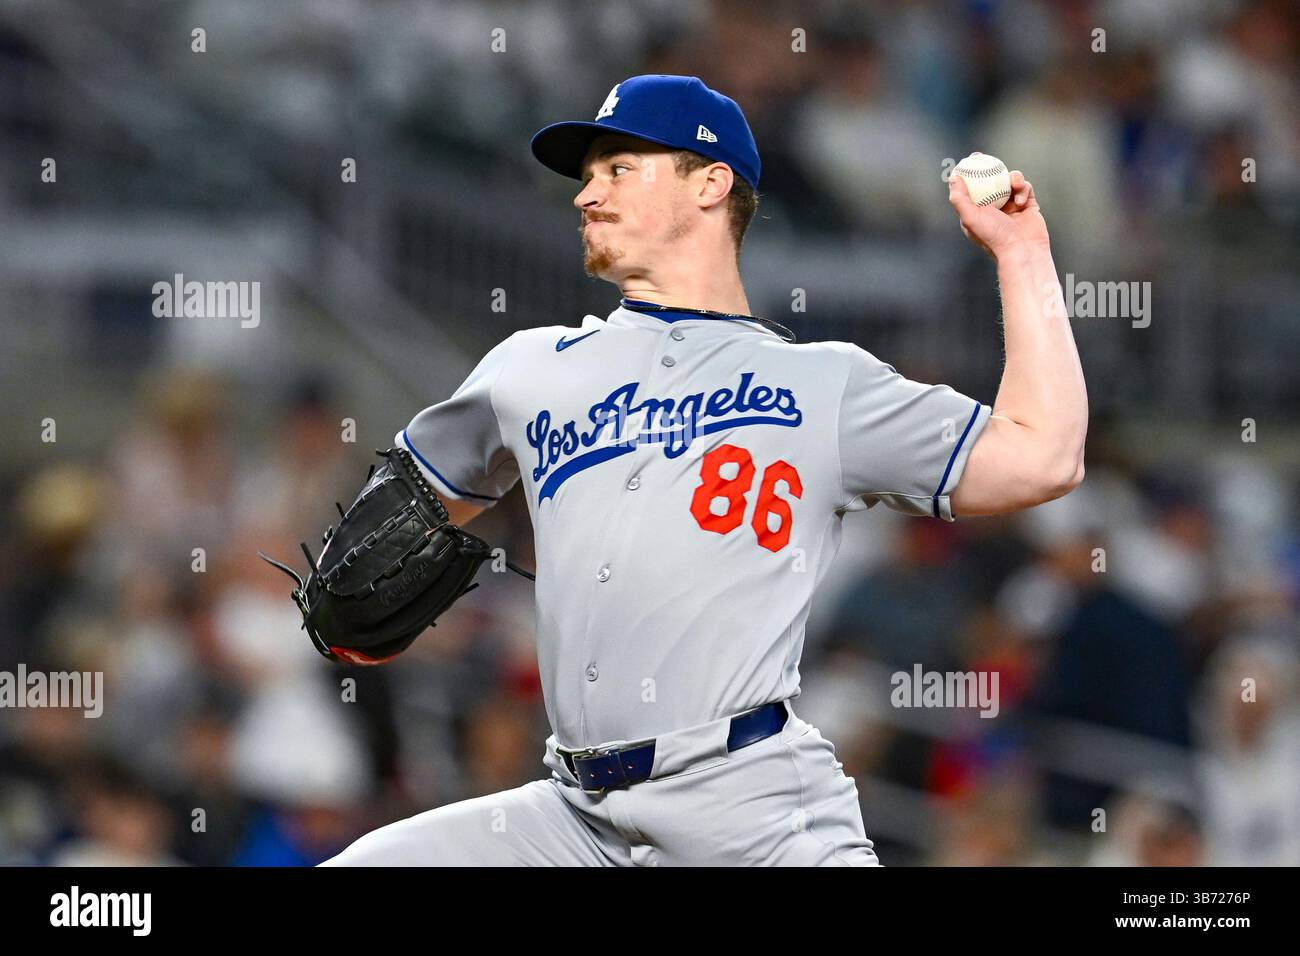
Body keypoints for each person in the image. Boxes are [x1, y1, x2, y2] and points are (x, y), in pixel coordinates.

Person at [322, 74, 1087, 866]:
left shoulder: (823, 386)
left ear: (711, 183)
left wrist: (1023, 253)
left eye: (618, 169)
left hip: (748, 808)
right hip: (571, 816)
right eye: (586, 178)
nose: (587, 195)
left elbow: (1044, 453)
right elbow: (401, 508)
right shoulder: (528, 369)